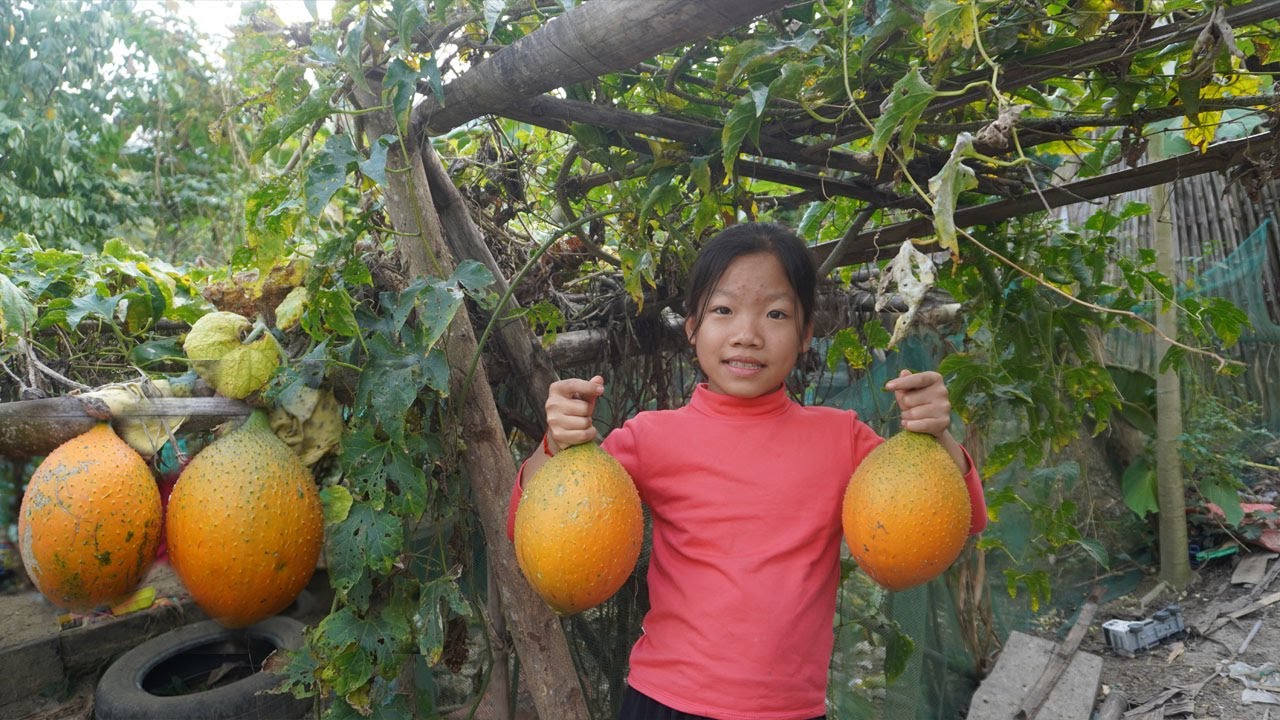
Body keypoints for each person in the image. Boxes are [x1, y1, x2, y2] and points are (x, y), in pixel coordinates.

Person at [507, 222, 987, 720]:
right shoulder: (650, 438)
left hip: (789, 712)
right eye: (723, 310)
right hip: (664, 700)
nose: (747, 334)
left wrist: (935, 436)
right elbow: (532, 524)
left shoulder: (841, 438)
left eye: (776, 313)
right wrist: (557, 444)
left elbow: (959, 517)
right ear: (692, 327)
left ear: (805, 334)